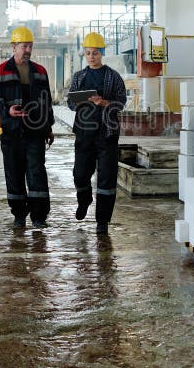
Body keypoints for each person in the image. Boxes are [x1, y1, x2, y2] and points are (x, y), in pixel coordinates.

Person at [0, 26, 55, 228]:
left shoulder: (41, 72)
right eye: (24, 46)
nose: (28, 50)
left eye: (30, 46)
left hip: (35, 132)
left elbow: (46, 102)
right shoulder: (0, 71)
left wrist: (48, 127)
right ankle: (19, 215)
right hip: (11, 133)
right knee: (14, 173)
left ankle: (39, 217)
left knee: (36, 173)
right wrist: (7, 111)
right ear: (14, 47)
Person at [68, 32, 127, 235]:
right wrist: (81, 101)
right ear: (84, 54)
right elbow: (69, 103)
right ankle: (84, 201)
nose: (91, 57)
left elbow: (121, 102)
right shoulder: (79, 77)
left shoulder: (113, 77)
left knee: (106, 179)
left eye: (95, 53)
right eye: (88, 53)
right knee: (80, 175)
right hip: (84, 133)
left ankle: (102, 221)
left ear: (102, 53)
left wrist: (104, 103)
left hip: (106, 134)